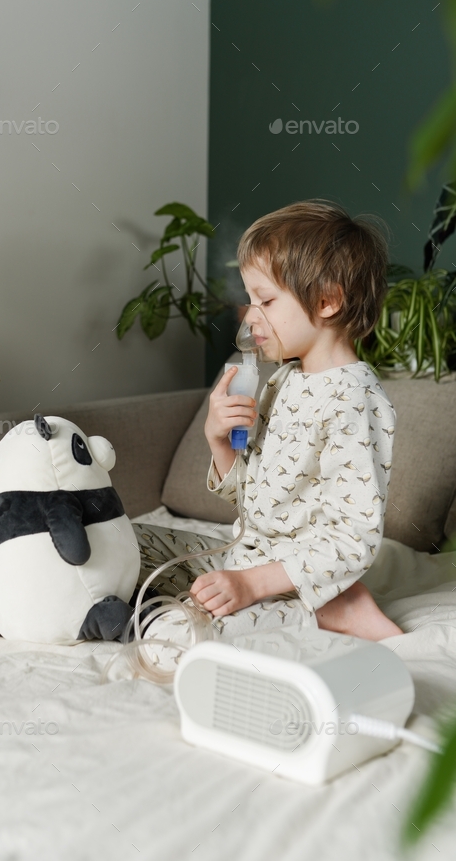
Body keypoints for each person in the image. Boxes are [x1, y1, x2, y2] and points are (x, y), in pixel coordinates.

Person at [131, 198, 403, 647]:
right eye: (249, 299)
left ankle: (340, 607)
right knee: (119, 543)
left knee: (177, 632)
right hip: (244, 556)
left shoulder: (355, 399)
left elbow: (353, 538)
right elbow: (255, 497)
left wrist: (253, 585)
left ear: (327, 300)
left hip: (290, 579)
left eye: (266, 299)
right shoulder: (283, 380)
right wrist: (219, 442)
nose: (249, 316)